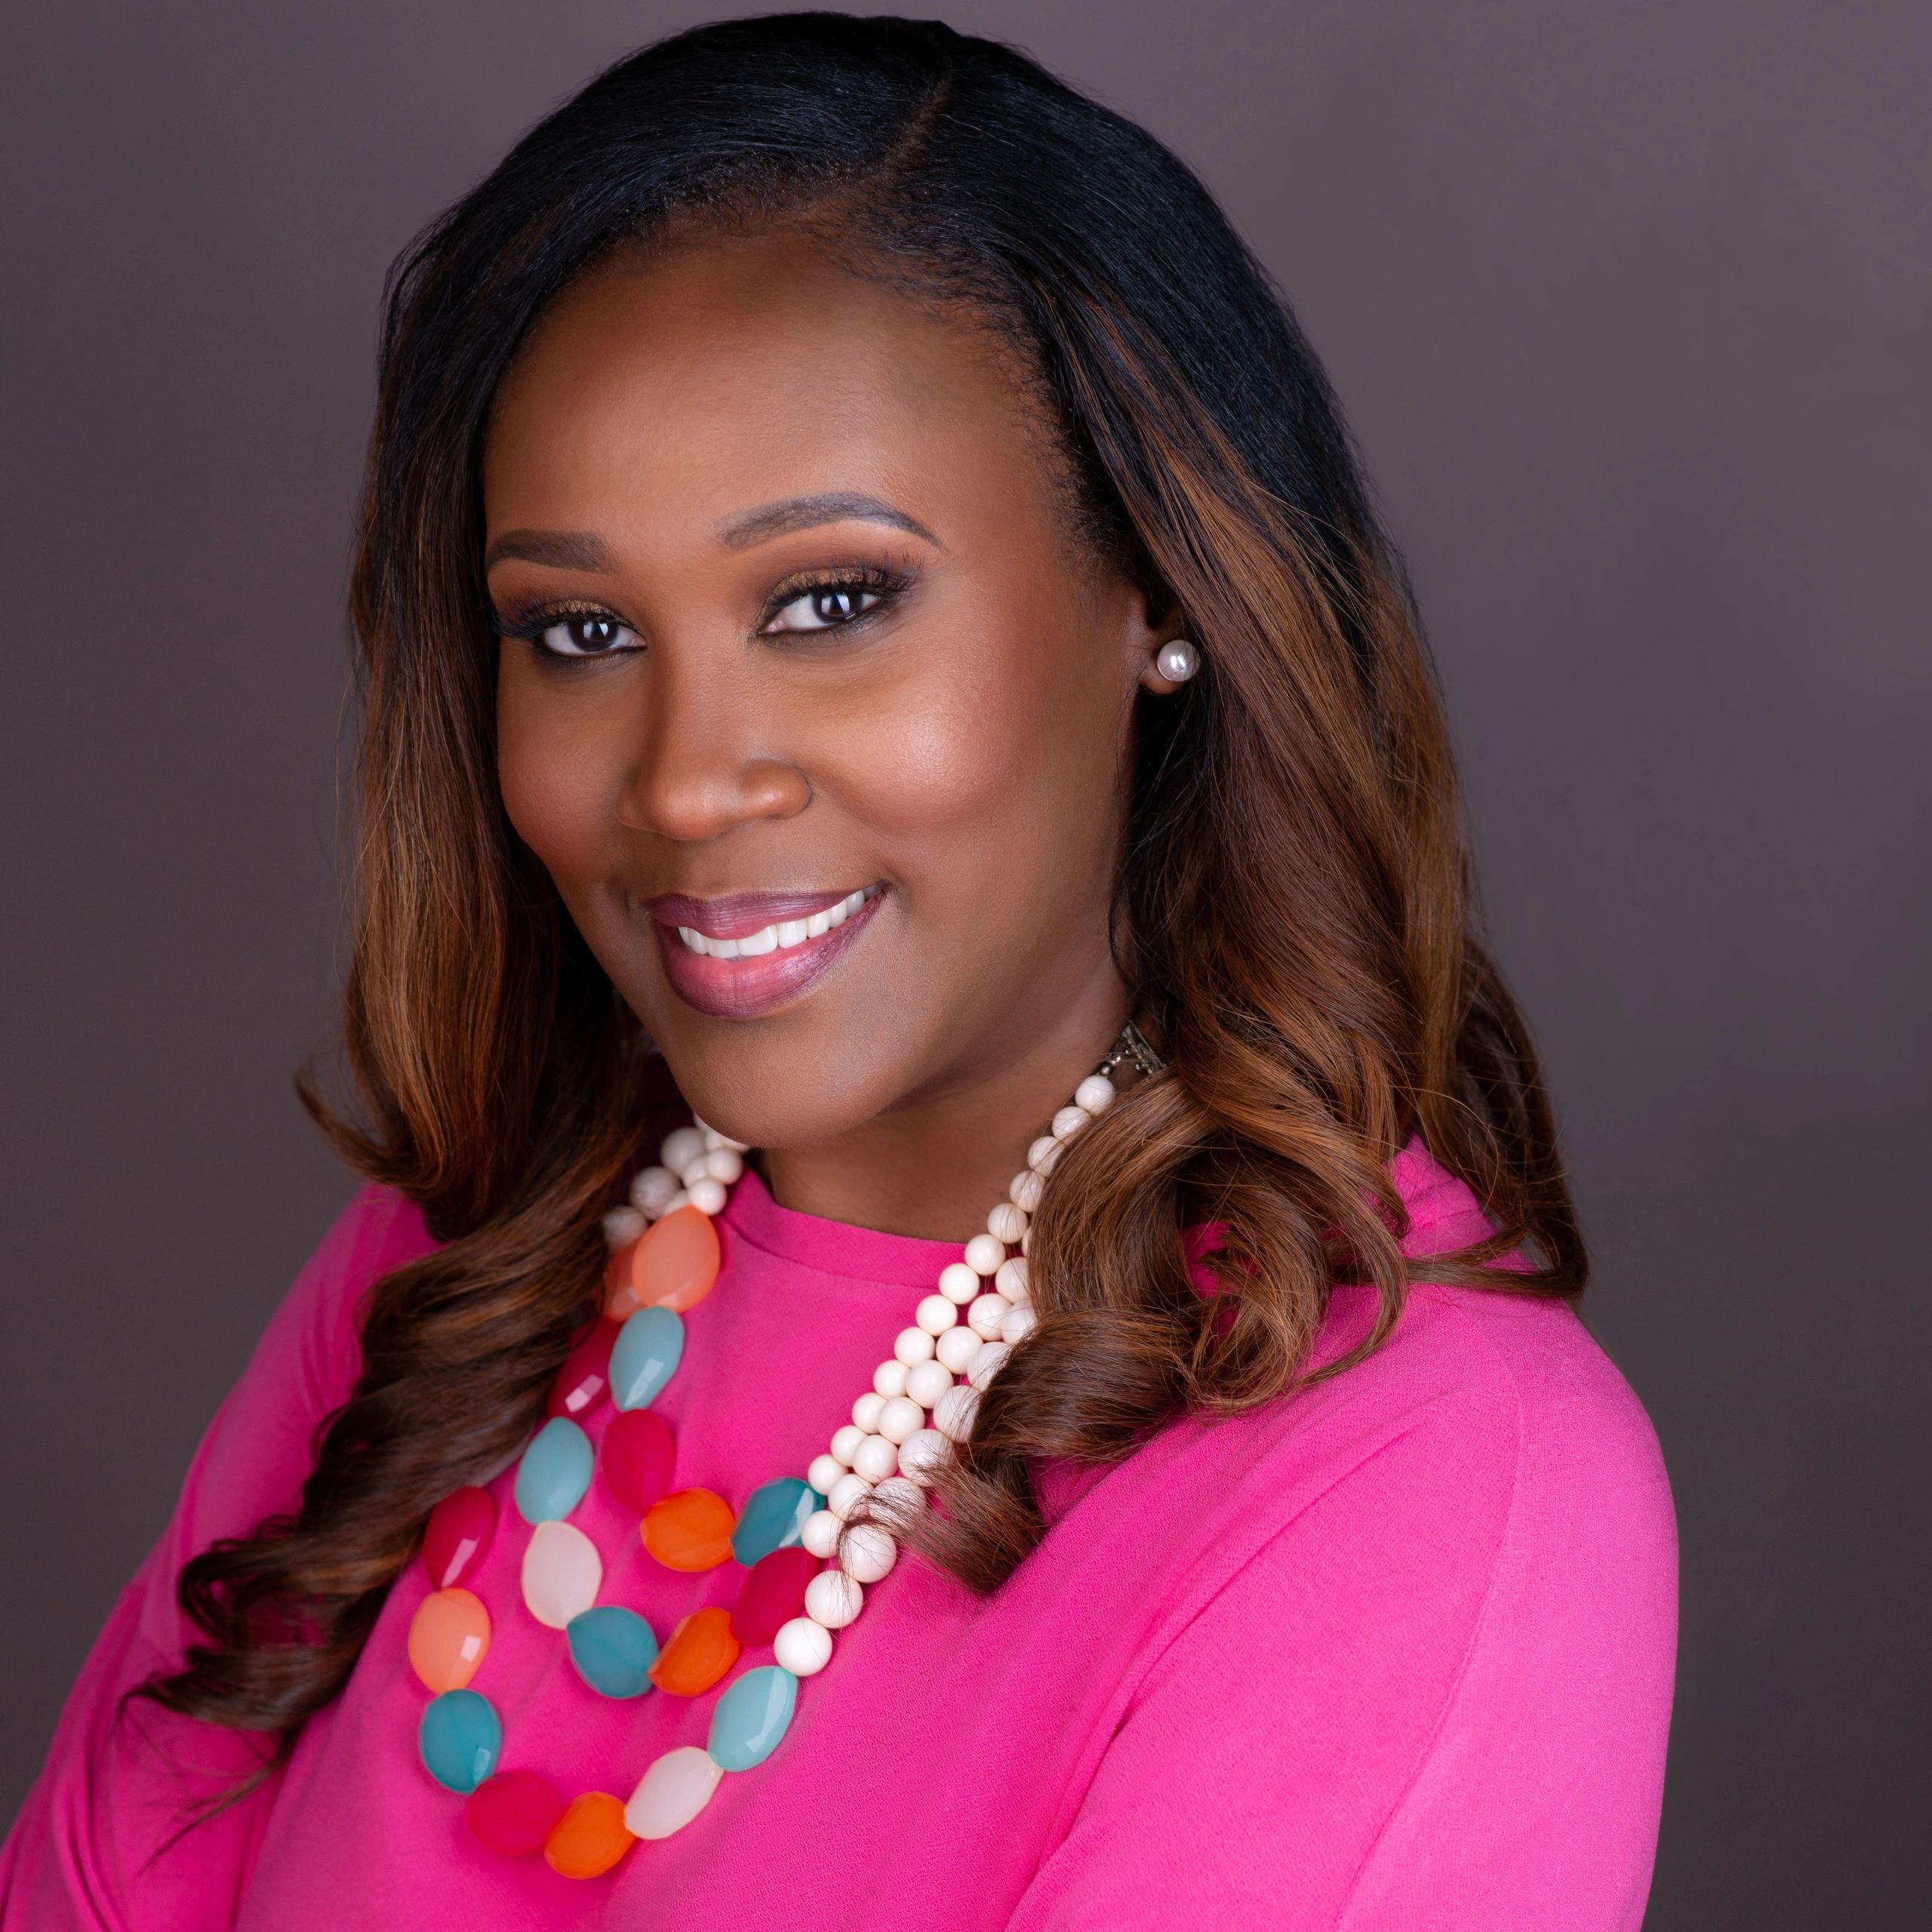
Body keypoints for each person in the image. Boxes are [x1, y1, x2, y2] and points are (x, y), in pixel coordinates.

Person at [0, 13, 1676, 1927]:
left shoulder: (1422, 1482)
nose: (684, 780)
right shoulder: (477, 1262)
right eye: (577, 631)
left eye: (828, 600)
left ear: (1158, 586)